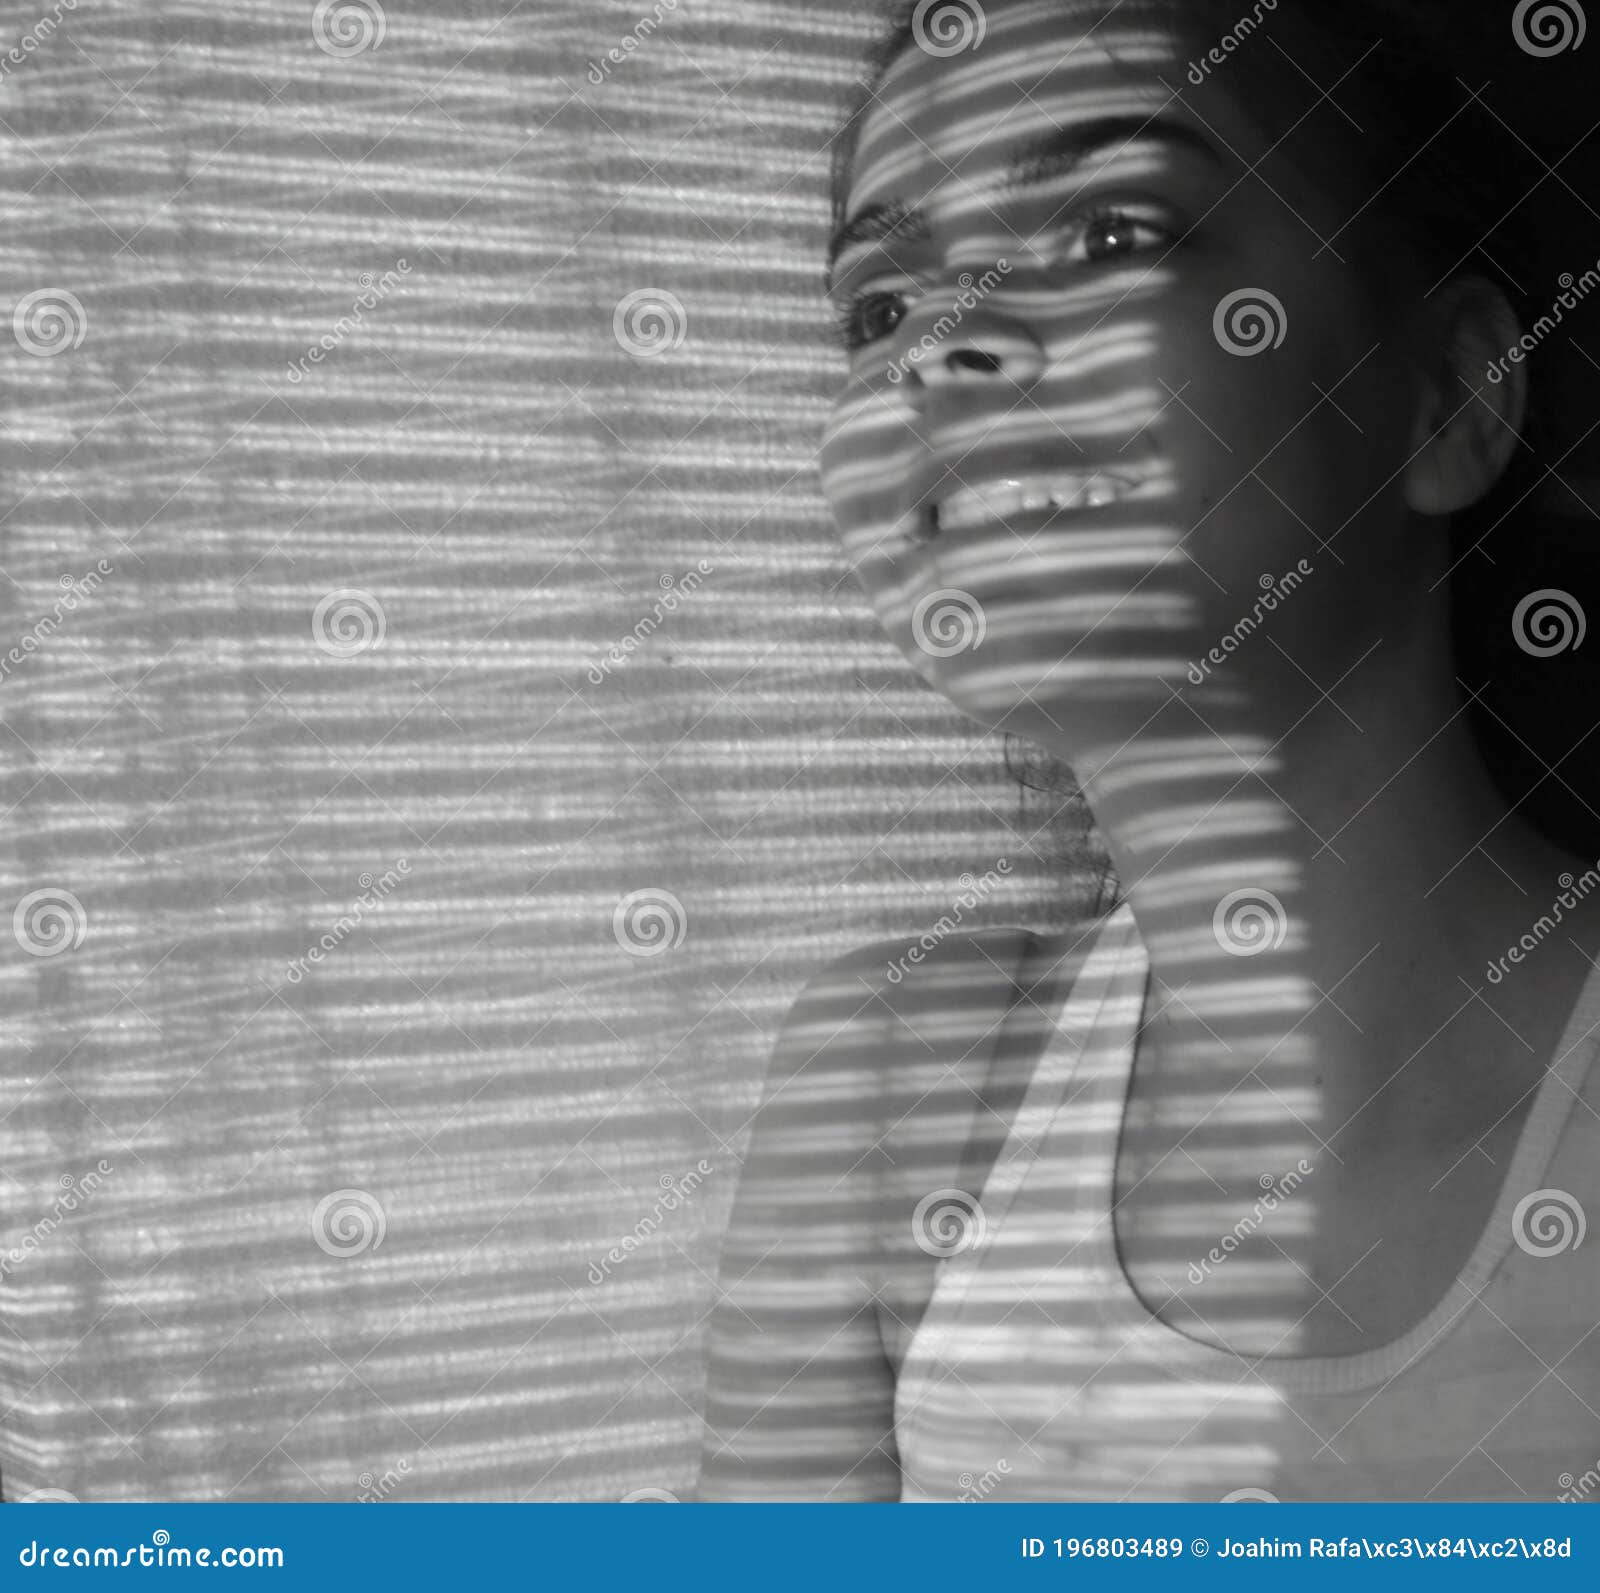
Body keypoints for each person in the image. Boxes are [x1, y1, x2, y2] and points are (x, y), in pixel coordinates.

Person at [696, 0, 1600, 1501]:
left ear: (1445, 392)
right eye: (877, 310)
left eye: (1115, 232)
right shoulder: (887, 1092)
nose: (942, 348)